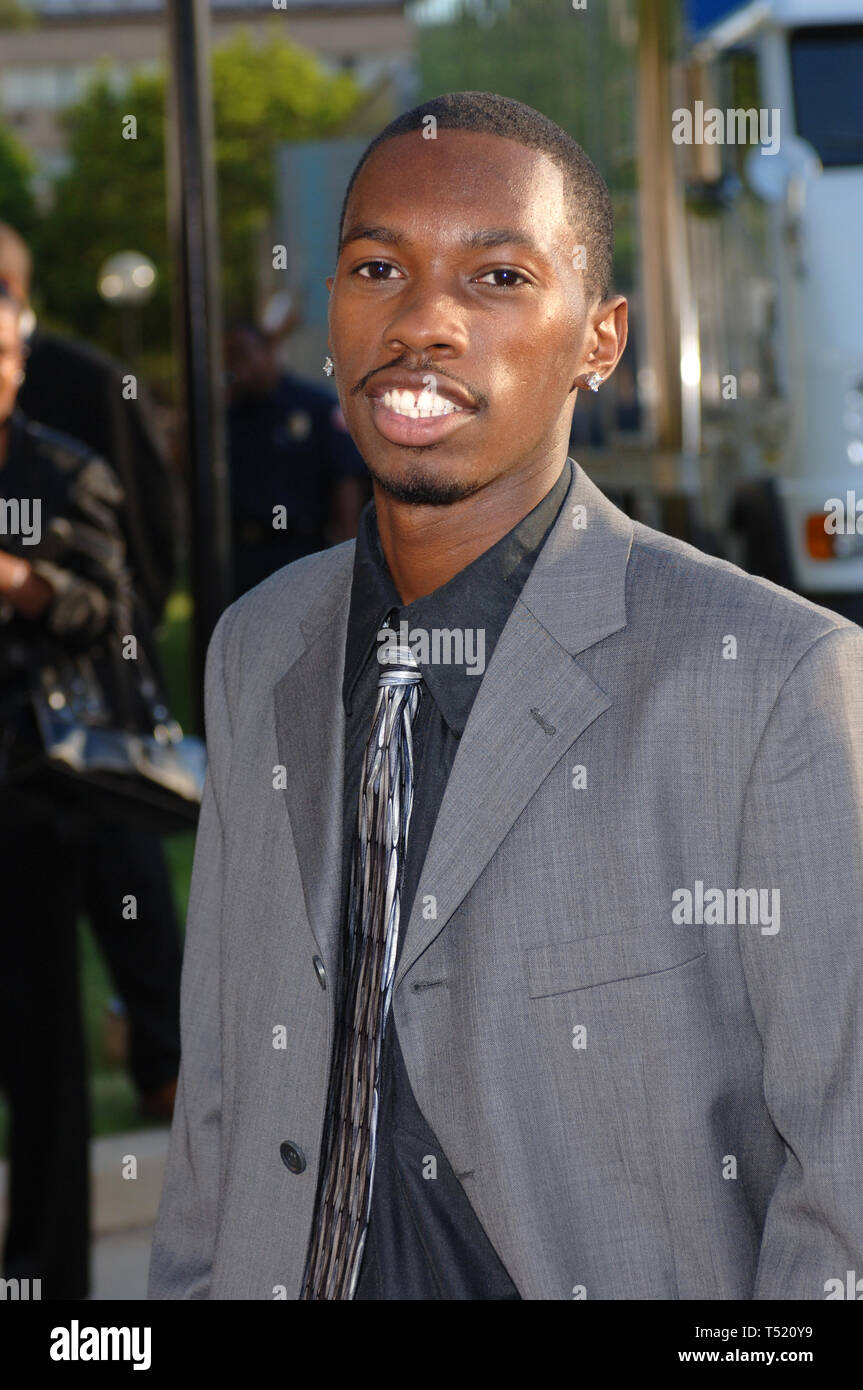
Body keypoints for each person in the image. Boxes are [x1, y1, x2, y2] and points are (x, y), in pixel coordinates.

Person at [149, 92, 863, 1301]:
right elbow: (220, 1096)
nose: (421, 320)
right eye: (378, 266)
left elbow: (841, 1189)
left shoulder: (769, 682)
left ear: (599, 336)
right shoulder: (254, 647)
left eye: (495, 278)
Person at [0, 224, 182, 1122]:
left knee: (129, 884)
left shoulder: (80, 377)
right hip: (15, 735)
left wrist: (118, 636)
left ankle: (166, 1067)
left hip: (89, 698)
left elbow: (146, 523)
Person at [0, 283, 130, 1300]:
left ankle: (49, 1288)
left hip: (30, 796)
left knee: (43, 1056)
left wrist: (24, 583)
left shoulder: (57, 469)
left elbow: (110, 613)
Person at [225, 320, 369, 598]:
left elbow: (345, 478)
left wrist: (349, 552)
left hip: (301, 548)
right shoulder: (228, 414)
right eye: (229, 356)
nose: (234, 363)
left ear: (267, 351)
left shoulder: (313, 405)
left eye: (243, 352)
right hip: (242, 556)